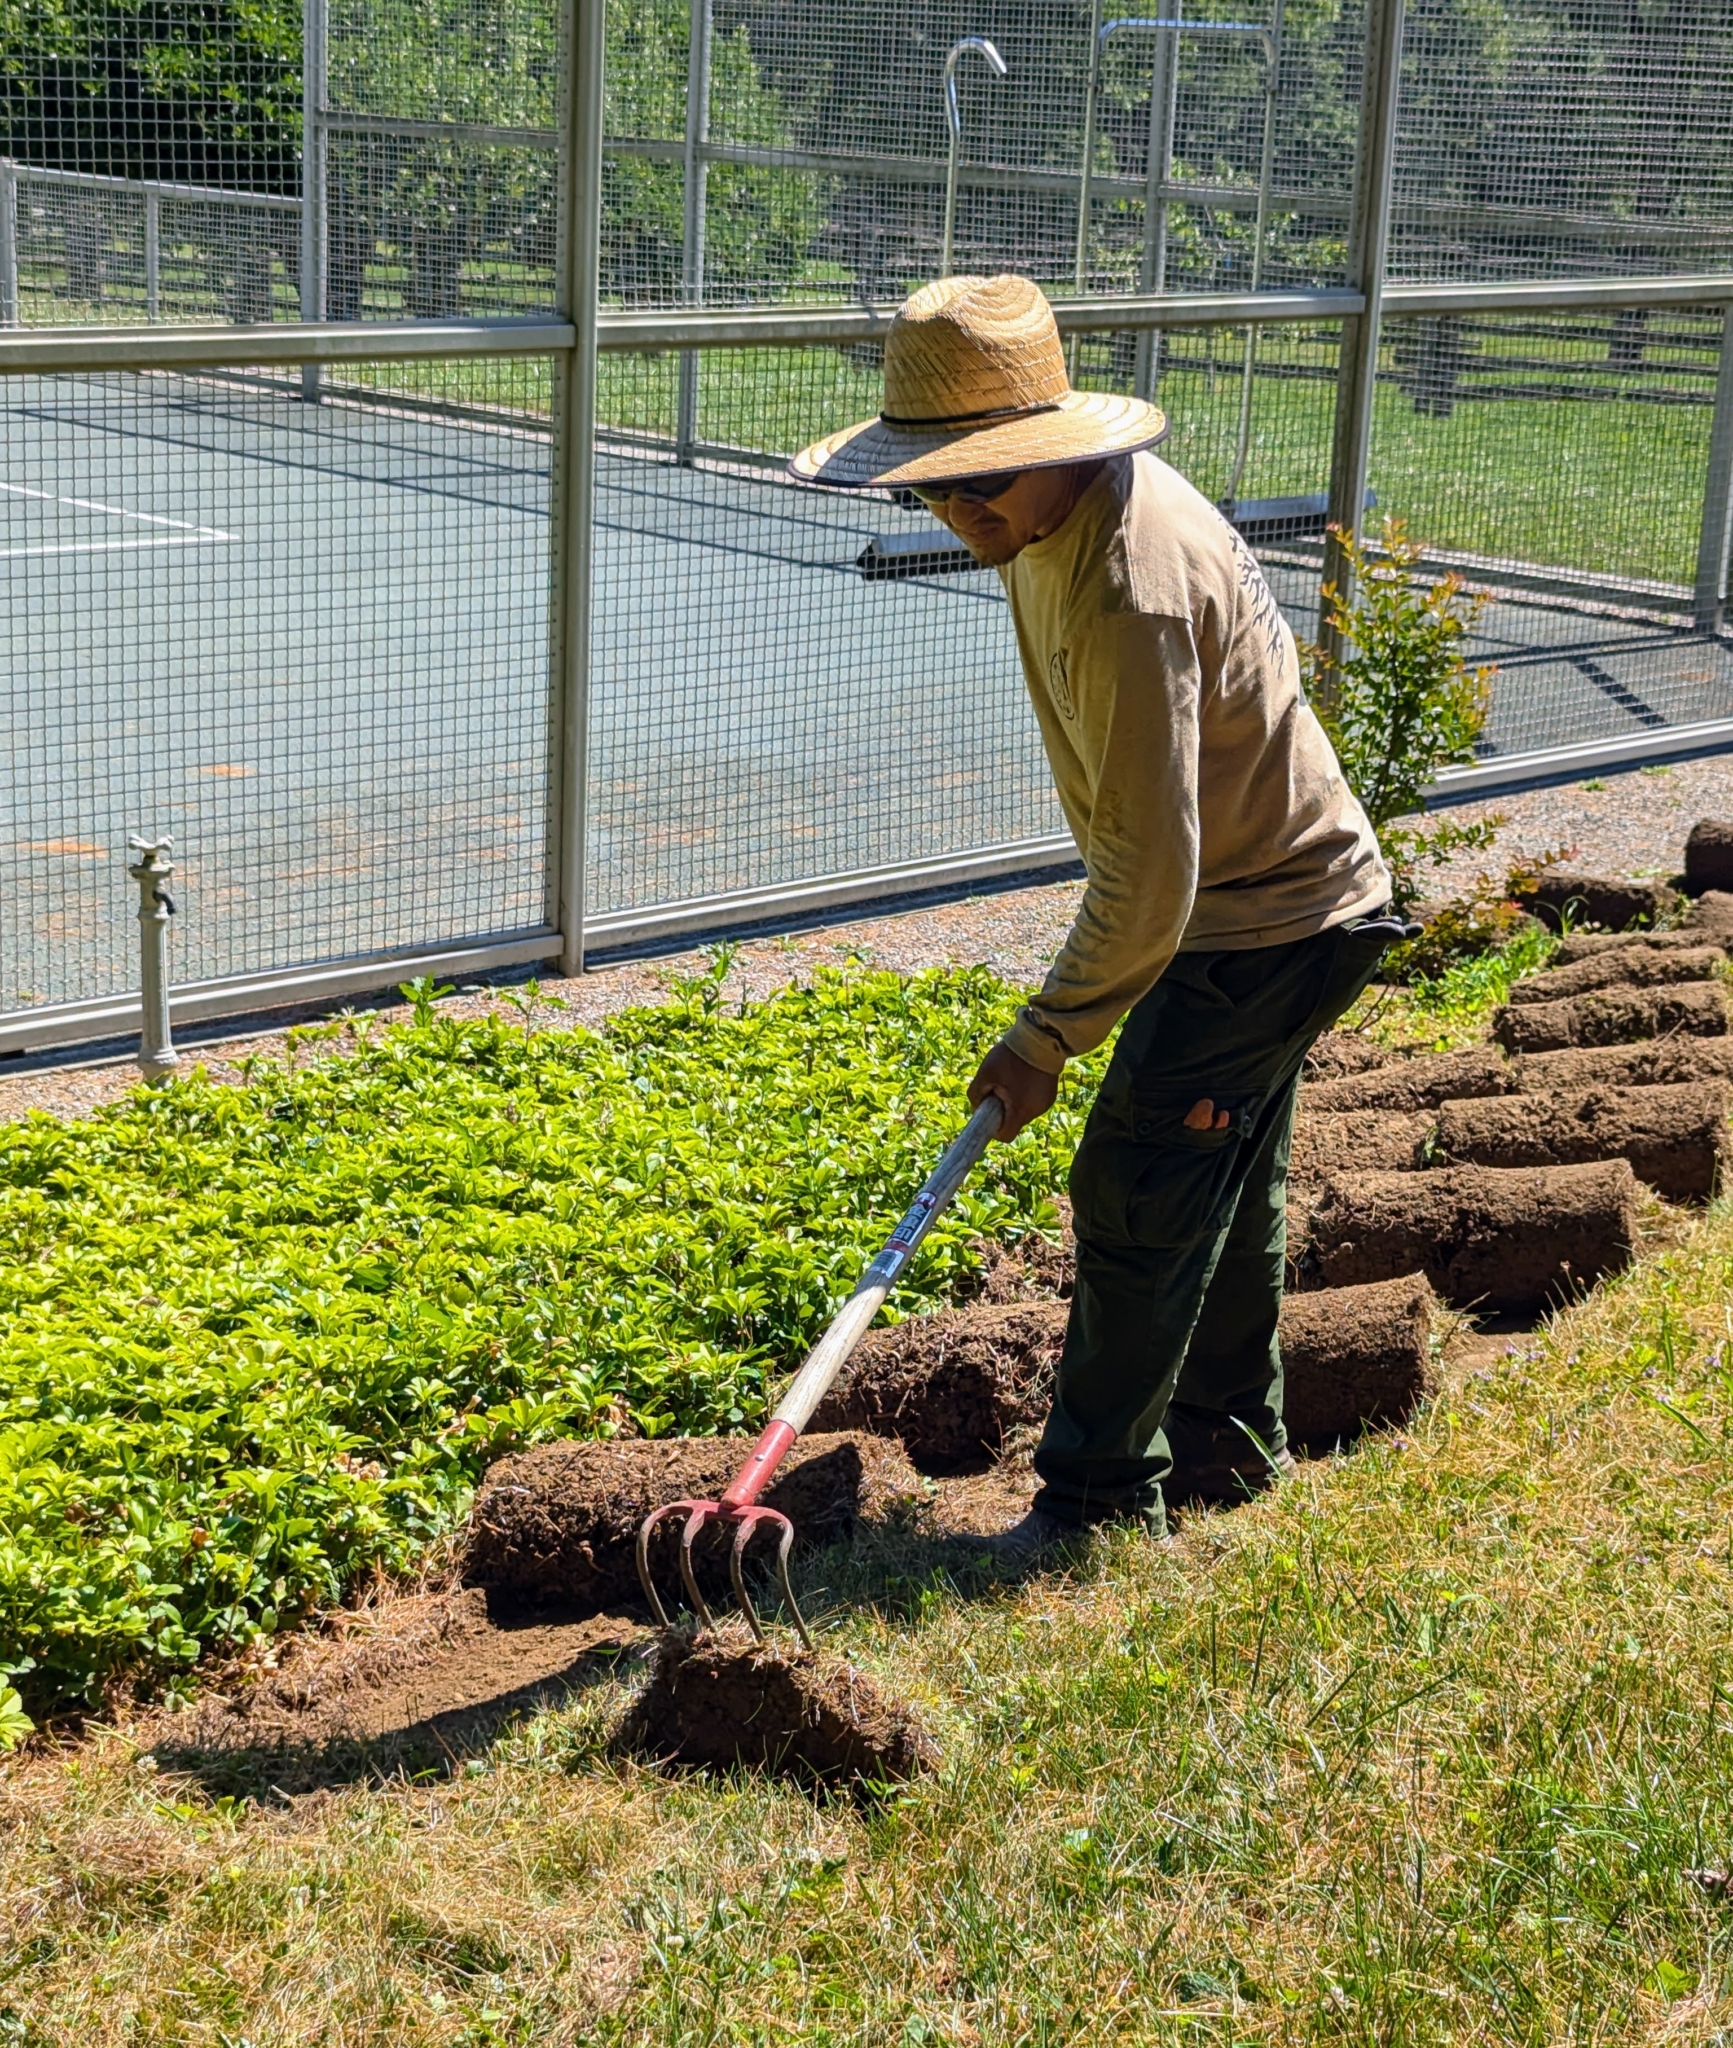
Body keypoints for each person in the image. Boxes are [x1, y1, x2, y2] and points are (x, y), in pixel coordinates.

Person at [791, 272, 1405, 1550]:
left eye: (981, 481)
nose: (957, 511)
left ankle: (1092, 1506)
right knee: (1213, 1179)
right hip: (1260, 904)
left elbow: (1148, 877)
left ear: (1054, 447)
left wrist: (1043, 1037)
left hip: (1265, 921)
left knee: (1135, 1182)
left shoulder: (1129, 586)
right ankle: (1228, 1453)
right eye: (930, 487)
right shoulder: (1046, 517)